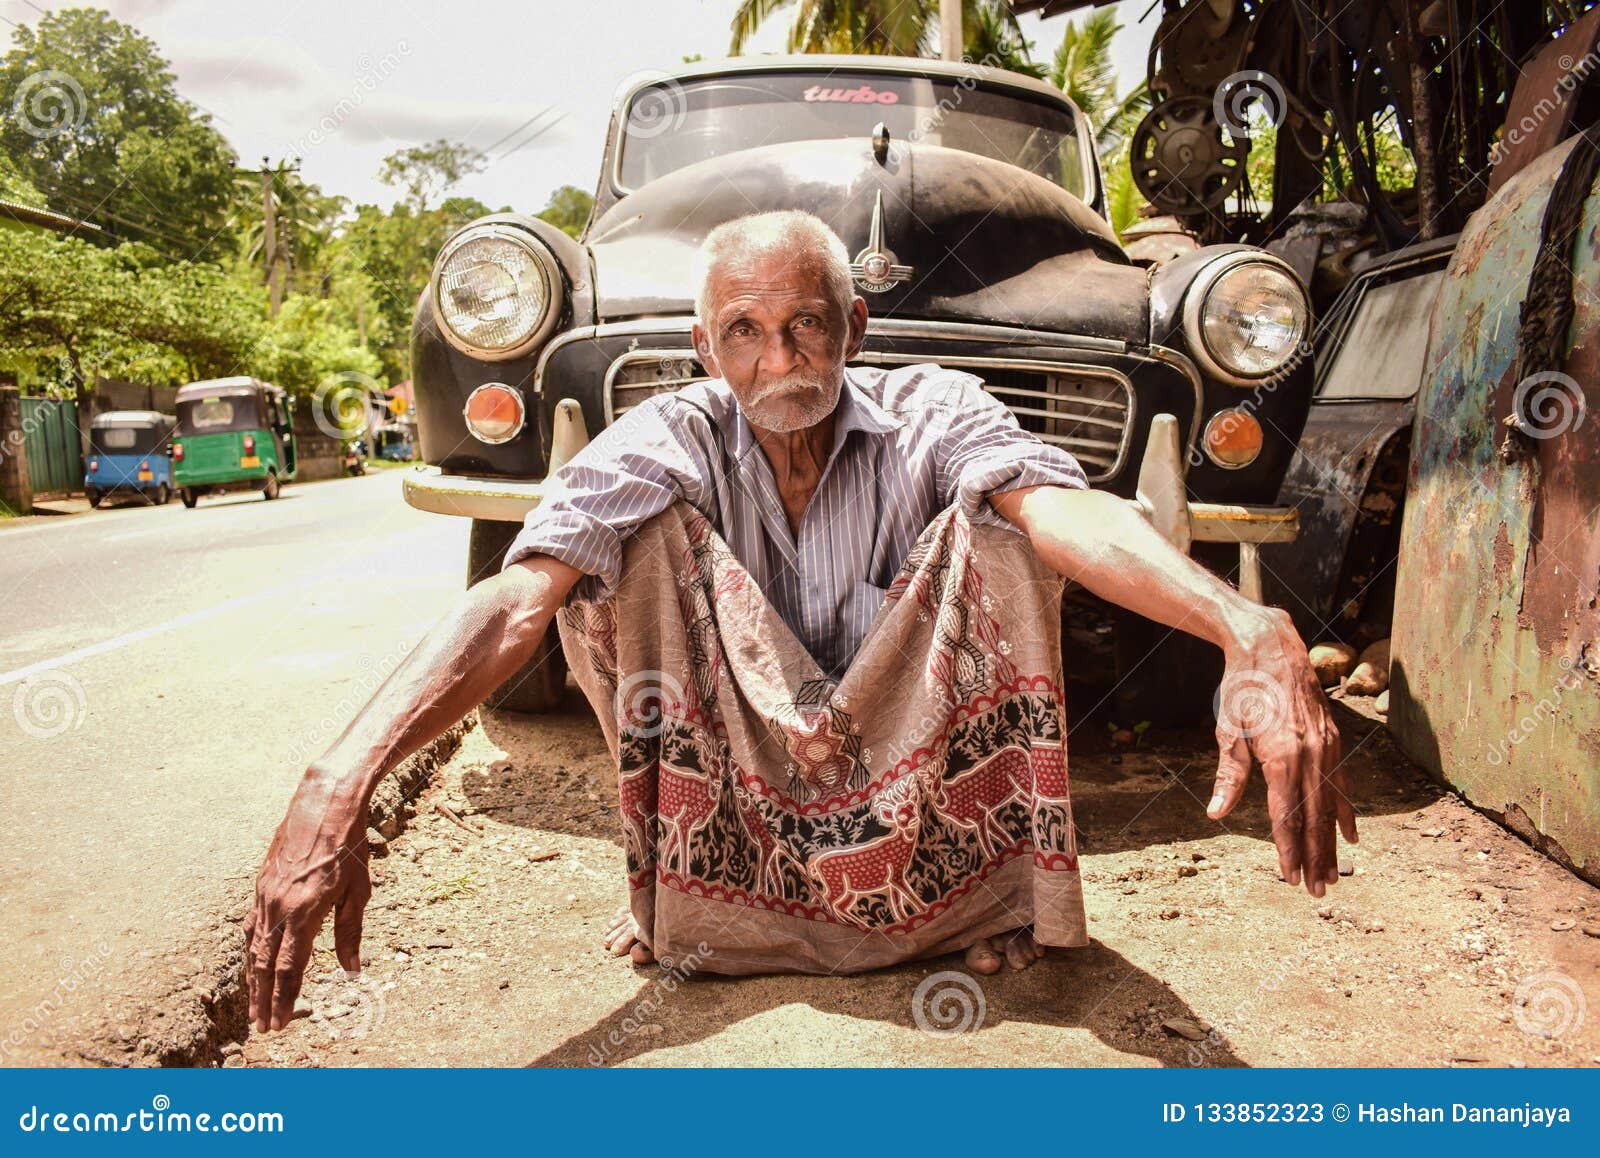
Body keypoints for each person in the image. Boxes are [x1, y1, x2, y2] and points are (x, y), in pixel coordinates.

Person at [245, 211, 1355, 1032]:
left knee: (1009, 529)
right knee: (613, 555)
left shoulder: (933, 409)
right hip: (731, 786)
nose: (779, 363)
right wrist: (341, 778)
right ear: (702, 350)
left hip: (920, 802)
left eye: (806, 327)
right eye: (744, 332)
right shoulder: (668, 436)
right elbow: (515, 597)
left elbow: (1070, 509)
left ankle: (983, 897)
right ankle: (697, 908)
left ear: (856, 328)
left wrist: (1244, 627)